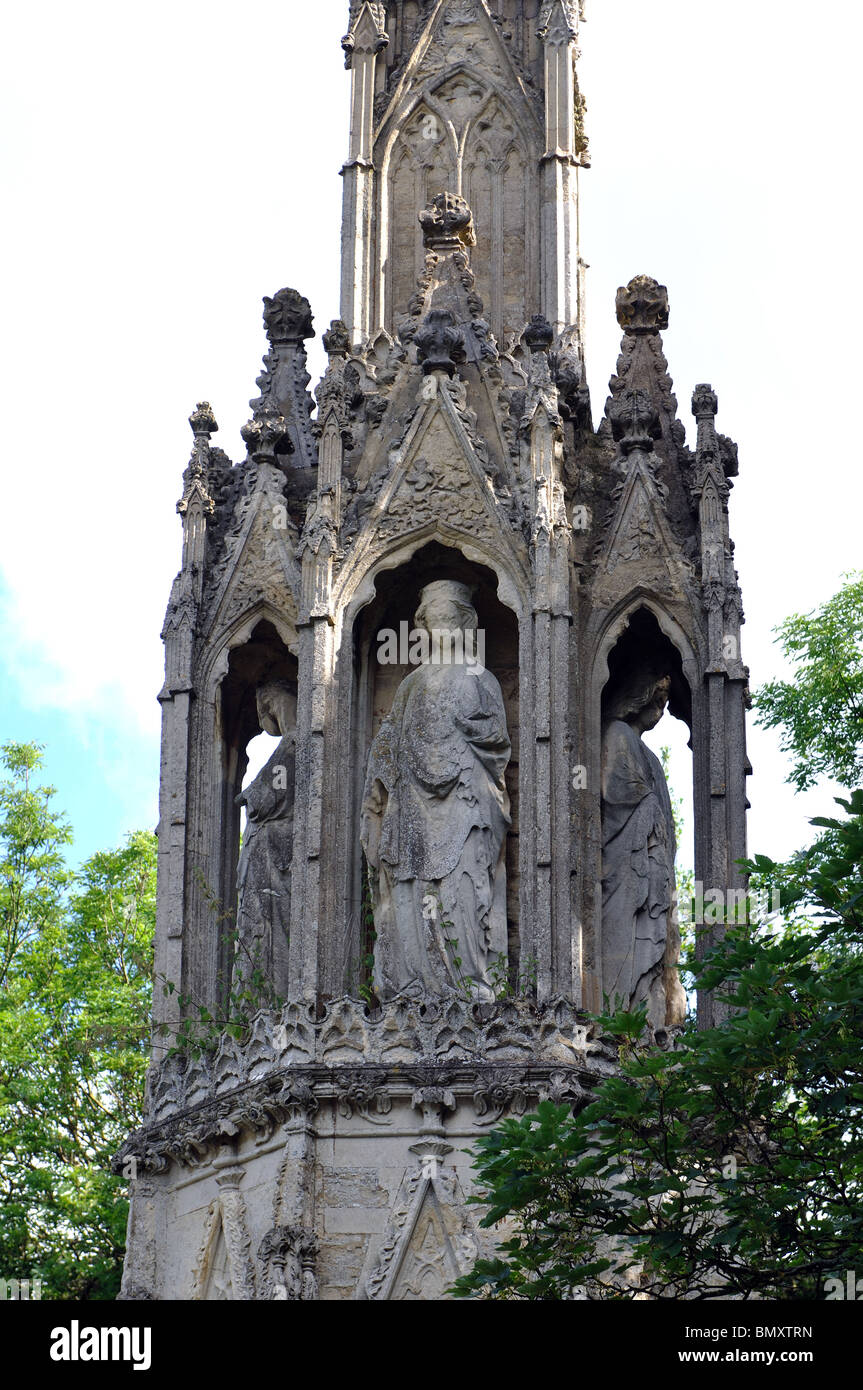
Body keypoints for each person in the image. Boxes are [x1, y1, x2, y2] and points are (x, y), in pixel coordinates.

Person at [361, 580, 511, 1001]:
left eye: (450, 620)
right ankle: (413, 984)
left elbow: (496, 744)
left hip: (464, 804)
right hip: (413, 811)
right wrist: (383, 780)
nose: (441, 630)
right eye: (434, 622)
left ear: (466, 625)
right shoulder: (411, 685)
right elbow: (388, 742)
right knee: (411, 893)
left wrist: (465, 738)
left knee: (461, 890)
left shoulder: (481, 679)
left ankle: (470, 983)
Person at [601, 671, 687, 1030]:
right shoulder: (618, 734)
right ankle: (620, 1011)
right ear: (638, 694)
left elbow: (662, 813)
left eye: (665, 703)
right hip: (627, 857)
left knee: (653, 939)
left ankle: (649, 1019)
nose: (660, 710)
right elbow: (617, 790)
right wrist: (649, 805)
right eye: (656, 699)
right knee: (626, 928)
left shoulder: (649, 755)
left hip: (651, 861)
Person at [233, 680, 296, 1000]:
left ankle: (272, 1000)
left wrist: (249, 795)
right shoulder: (291, 746)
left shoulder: (294, 745)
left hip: (273, 858)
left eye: (267, 710)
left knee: (270, 933)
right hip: (265, 859)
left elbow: (265, 800)